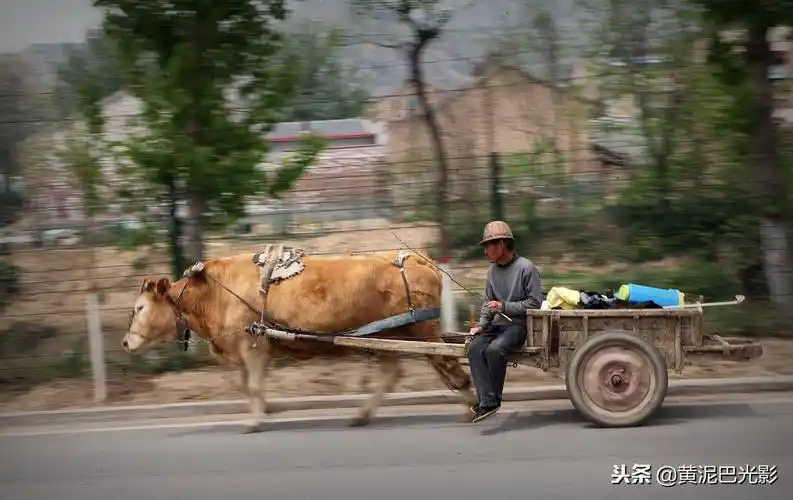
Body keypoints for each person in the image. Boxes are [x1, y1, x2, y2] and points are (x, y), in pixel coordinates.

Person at [467, 220, 543, 423]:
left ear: (501, 245)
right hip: (496, 325)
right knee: (474, 348)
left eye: (488, 246)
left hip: (518, 325)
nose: (485, 252)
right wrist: (481, 326)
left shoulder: (526, 268)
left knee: (494, 350)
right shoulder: (492, 272)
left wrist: (504, 306)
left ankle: (491, 401)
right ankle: (485, 400)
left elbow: (535, 303)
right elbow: (487, 303)